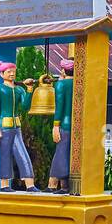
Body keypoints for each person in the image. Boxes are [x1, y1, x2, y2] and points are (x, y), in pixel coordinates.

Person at [0, 61, 39, 192]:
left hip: (16, 126)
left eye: (13, 71)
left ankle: (30, 184)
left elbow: (25, 107)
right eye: (8, 72)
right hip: (4, 126)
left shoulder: (19, 90)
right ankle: (4, 185)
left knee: (22, 153)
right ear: (1, 74)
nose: (12, 74)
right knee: (5, 155)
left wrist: (29, 90)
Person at [49, 59, 74, 194]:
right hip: (76, 125)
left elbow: (59, 108)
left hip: (64, 124)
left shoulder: (61, 85)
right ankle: (55, 184)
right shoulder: (79, 83)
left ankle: (64, 186)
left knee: (61, 154)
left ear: (63, 71)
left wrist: (55, 126)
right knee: (66, 154)